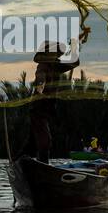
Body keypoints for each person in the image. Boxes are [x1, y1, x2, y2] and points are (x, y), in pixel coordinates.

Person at [24, 29, 87, 163]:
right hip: (38, 108)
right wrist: (40, 87)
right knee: (44, 141)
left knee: (40, 140)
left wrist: (75, 42)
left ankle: (33, 162)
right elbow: (40, 78)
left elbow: (74, 62)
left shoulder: (56, 66)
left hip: (48, 108)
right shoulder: (43, 66)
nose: (58, 55)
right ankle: (41, 165)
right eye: (56, 53)